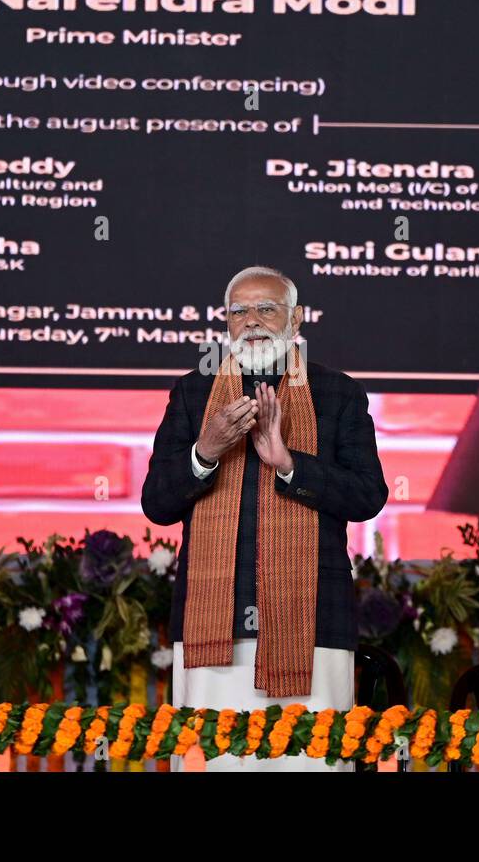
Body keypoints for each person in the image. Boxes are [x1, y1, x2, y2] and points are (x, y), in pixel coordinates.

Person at [142, 266, 388, 771]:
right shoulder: (194, 392)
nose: (252, 321)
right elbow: (157, 504)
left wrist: (291, 465)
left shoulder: (337, 392)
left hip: (312, 622)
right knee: (216, 760)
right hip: (215, 628)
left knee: (308, 761)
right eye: (239, 311)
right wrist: (204, 453)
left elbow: (368, 496)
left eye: (267, 309)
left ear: (295, 318)